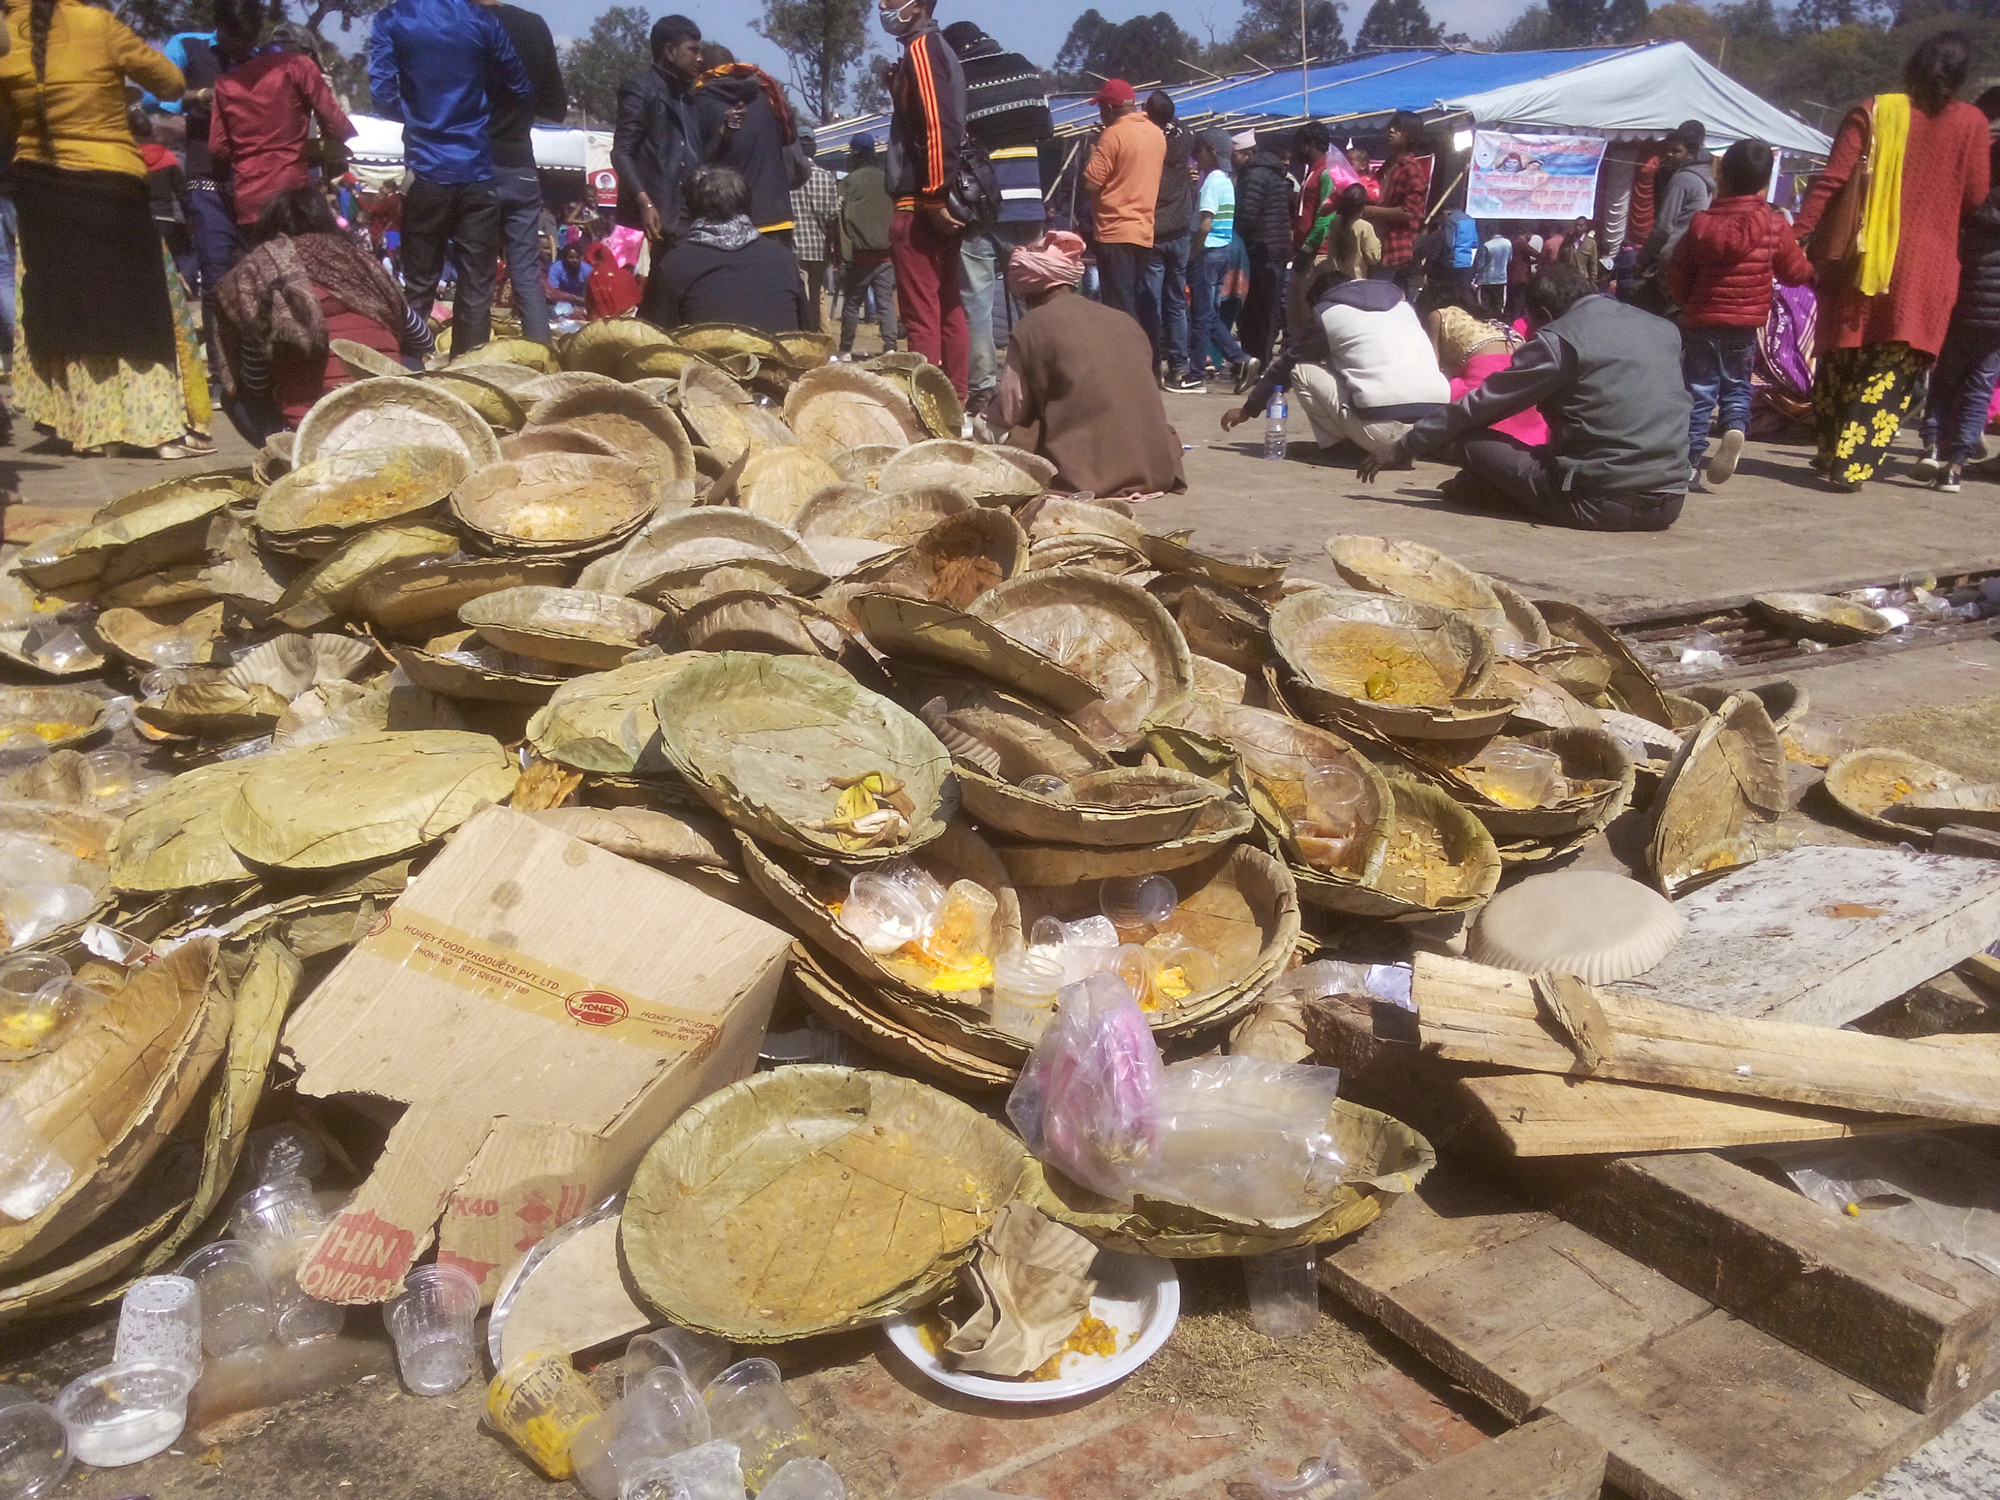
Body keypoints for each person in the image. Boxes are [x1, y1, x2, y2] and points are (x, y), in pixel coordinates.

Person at [1, 0, 215, 456]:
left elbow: (5, 121)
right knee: (135, 310)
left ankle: (87, 430)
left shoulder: (6, 34)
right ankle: (153, 427)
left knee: (66, 309)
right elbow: (171, 82)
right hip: (110, 184)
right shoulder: (97, 24)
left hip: (39, 189)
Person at [1358, 264, 1692, 532]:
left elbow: (1480, 406)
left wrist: (1405, 445)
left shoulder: (1562, 338)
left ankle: (1487, 492)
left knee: (1473, 443)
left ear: (1544, 315)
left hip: (1599, 503)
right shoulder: (1663, 330)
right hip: (1670, 503)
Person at [1797, 32, 1990, 491]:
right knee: (1893, 366)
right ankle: (1854, 463)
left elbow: (1832, 181)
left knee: (1843, 353)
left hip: (1861, 258)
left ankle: (1829, 451)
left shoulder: (1876, 109)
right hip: (1928, 265)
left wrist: (1796, 232)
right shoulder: (1973, 123)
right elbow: (1977, 195)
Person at [368, 0, 531, 359]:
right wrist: (480, 108)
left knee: (419, 284)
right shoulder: (482, 21)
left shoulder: (393, 20)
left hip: (426, 172)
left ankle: (408, 371)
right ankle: (467, 375)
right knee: (476, 286)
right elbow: (519, 87)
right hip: (477, 170)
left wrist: (418, 119)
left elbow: (381, 94)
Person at [213, 186, 433, 441]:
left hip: (311, 433)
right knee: (412, 358)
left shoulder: (258, 274)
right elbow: (424, 340)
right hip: (387, 417)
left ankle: (283, 447)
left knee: (232, 395)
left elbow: (257, 384)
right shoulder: (363, 264)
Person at [989, 229, 1184, 496]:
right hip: (1156, 466)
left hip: (1087, 471)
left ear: (1026, 292)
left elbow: (1010, 411)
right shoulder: (1124, 320)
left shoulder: (1031, 326)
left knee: (989, 430)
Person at [1667, 138, 1812, 488]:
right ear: (1764, 182)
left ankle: (1688, 464)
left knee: (1699, 390)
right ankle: (1734, 426)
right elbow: (1795, 273)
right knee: (1736, 385)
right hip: (1745, 325)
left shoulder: (1701, 223)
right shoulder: (1775, 225)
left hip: (1701, 321)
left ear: (1723, 176)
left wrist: (1689, 302)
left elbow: (1678, 271)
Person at [1224, 263, 1448, 459]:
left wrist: (1249, 409)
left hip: (1382, 431)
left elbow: (1288, 364)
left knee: (1301, 371)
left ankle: (1337, 448)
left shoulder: (1327, 313)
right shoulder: (1403, 307)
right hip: (1430, 430)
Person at [945, 19, 1052, 416]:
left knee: (976, 302)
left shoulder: (959, 77)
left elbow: (950, 137)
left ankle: (984, 389)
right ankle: (1042, 381)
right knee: (1034, 298)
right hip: (1028, 203)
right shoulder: (1024, 68)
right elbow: (1046, 129)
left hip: (980, 207)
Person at [882, 0, 970, 397]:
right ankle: (957, 401)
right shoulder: (937, 50)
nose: (882, 4)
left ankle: (930, 407)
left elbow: (938, 126)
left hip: (919, 205)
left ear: (917, 5)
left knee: (921, 315)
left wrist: (933, 196)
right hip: (938, 202)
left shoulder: (920, 51)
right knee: (949, 307)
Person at [1916, 89, 2000, 492]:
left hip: (1957, 305)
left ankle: (1930, 446)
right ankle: (1957, 464)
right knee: (1980, 387)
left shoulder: (1967, 211)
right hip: (1996, 322)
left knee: (1944, 379)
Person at [472, 0, 564, 347]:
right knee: (526, 273)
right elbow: (556, 105)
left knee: (477, 273)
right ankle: (543, 362)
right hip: (521, 166)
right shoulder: (534, 26)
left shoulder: (462, 22)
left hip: (476, 165)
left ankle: (471, 366)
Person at [209, 23, 355, 228]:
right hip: (292, 196)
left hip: (248, 201)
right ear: (306, 52)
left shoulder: (226, 81)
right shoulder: (300, 65)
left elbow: (218, 148)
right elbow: (339, 127)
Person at [613, 16, 704, 324]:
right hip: (662, 209)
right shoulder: (640, 90)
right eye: (693, 50)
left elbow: (693, 152)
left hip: (687, 209)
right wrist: (644, 202)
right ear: (669, 51)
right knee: (667, 281)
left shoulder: (688, 97)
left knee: (670, 284)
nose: (699, 58)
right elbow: (621, 152)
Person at [647, 165, 808, 330]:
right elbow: (807, 332)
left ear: (693, 210)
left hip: (704, 356)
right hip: (777, 355)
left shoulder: (675, 265)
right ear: (747, 207)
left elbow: (657, 339)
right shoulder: (784, 260)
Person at [695, 44, 805, 240]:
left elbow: (699, 161)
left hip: (730, 223)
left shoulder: (700, 103)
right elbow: (790, 138)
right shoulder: (767, 97)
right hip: (777, 216)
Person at [1081, 78, 1162, 338]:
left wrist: (1094, 151)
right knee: (1138, 302)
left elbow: (1091, 184)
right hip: (1144, 231)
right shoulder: (1156, 133)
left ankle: (1127, 367)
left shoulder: (1113, 135)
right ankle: (1148, 363)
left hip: (1114, 231)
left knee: (1118, 308)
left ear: (1109, 108)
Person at [1189, 127, 1248, 392]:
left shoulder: (1211, 181)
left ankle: (1196, 372)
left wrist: (1193, 252)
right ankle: (1240, 358)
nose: (1196, 157)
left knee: (1201, 317)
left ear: (1211, 153)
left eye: (1199, 151)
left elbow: (1205, 224)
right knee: (1209, 314)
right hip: (1225, 250)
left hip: (1209, 252)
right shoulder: (1227, 181)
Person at [1233, 126, 1293, 378]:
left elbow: (1247, 215)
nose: (1232, 160)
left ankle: (1255, 358)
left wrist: (1236, 240)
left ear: (1246, 153)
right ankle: (1263, 359)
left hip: (1260, 248)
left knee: (1254, 309)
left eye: (1234, 155)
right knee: (1268, 308)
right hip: (1276, 248)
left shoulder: (1255, 175)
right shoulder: (1275, 172)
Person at [1147, 90, 1196, 391]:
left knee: (1152, 302)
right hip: (1181, 230)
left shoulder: (1151, 140)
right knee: (1177, 303)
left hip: (1155, 230)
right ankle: (1180, 365)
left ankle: (1153, 365)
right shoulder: (1187, 135)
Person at [1636, 119, 1712, 305]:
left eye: (1676, 151)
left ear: (1691, 152)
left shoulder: (1683, 179)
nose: (1669, 155)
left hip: (1672, 257)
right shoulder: (1706, 176)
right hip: (1691, 256)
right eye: (1667, 150)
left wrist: (1641, 259)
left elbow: (1664, 227)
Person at [837, 131, 900, 355]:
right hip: (886, 255)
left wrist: (843, 256)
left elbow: (840, 220)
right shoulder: (887, 179)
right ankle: (890, 347)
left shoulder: (849, 182)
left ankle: (845, 350)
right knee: (885, 304)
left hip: (859, 256)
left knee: (852, 304)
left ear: (854, 154)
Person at [1364, 111, 1430, 290]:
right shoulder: (1385, 167)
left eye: (1399, 129)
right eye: (1391, 127)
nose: (1391, 131)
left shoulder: (1411, 169)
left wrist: (1368, 211)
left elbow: (1409, 212)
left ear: (1411, 136)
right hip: (1372, 244)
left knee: (1377, 298)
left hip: (1392, 249)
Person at [132, 107, 194, 290]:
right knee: (183, 255)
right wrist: (190, 218)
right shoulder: (167, 157)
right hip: (166, 220)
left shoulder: (129, 158)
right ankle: (181, 279)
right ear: (151, 131)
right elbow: (182, 193)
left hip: (140, 220)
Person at [789, 132, 840, 329]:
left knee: (800, 294)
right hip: (820, 247)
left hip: (794, 245)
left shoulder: (788, 176)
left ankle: (803, 335)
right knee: (818, 294)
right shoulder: (826, 177)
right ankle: (823, 337)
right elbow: (832, 215)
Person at [583, 239, 639, 319]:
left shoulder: (596, 276)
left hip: (608, 323)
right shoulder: (627, 274)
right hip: (633, 319)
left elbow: (594, 308)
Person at [1475, 223, 1510, 314]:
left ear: (1488, 232)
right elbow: (1510, 259)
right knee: (1499, 304)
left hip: (1486, 279)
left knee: (1485, 305)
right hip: (1501, 278)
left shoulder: (1487, 245)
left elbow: (1480, 264)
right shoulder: (1508, 243)